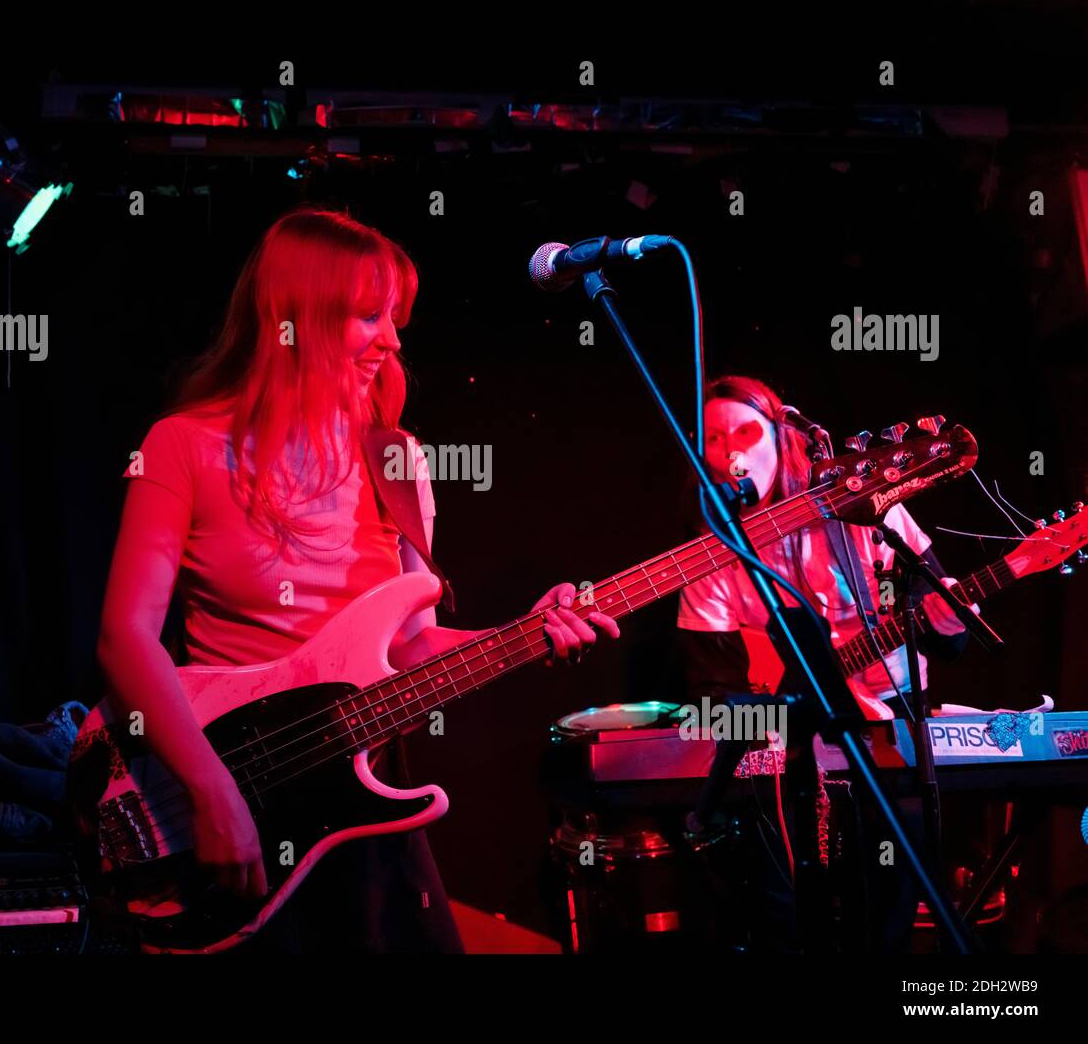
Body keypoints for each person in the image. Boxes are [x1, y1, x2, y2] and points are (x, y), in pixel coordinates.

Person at [95, 206, 618, 952]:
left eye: (395, 317)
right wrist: (212, 793)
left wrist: (523, 635)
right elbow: (124, 637)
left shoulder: (398, 459)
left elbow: (407, 647)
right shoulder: (180, 446)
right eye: (369, 315)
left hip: (358, 812)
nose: (393, 339)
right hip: (223, 801)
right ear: (296, 317)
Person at [675, 374, 978, 952]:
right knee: (785, 922)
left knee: (887, 920)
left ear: (780, 438)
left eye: (746, 431)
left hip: (888, 735)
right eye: (714, 439)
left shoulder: (866, 514)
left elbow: (947, 641)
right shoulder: (710, 559)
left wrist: (946, 617)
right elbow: (711, 696)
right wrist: (779, 709)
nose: (733, 450)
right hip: (781, 763)